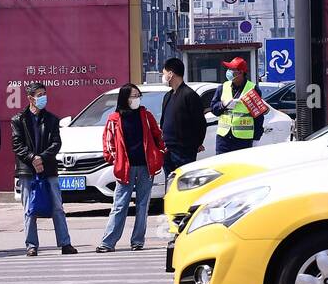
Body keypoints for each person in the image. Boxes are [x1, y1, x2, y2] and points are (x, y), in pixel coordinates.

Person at [97, 84, 167, 252]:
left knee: (143, 205)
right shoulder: (114, 119)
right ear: (124, 98)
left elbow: (158, 135)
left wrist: (160, 152)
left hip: (145, 166)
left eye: (137, 95)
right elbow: (109, 142)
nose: (136, 99)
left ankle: (137, 241)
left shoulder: (146, 116)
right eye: (132, 96)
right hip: (125, 168)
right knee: (120, 205)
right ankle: (108, 242)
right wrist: (113, 159)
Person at [10, 83, 77, 257]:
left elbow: (56, 143)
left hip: (49, 169)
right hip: (27, 170)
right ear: (30, 98)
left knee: (57, 206)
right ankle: (31, 245)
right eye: (39, 94)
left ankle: (65, 243)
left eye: (44, 94)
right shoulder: (18, 119)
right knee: (29, 209)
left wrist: (42, 158)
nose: (42, 98)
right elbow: (17, 145)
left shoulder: (52, 119)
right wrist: (32, 158)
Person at [159, 57, 206, 188]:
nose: (163, 77)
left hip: (183, 150)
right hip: (167, 149)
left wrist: (196, 143)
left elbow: (200, 123)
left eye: (164, 73)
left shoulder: (189, 95)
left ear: (171, 73)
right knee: (170, 184)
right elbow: (164, 120)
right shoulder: (167, 96)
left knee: (184, 184)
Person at [210, 57, 261, 155]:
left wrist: (256, 138)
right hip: (223, 139)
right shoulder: (223, 87)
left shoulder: (252, 89)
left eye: (232, 70)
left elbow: (258, 116)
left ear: (241, 72)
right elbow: (213, 109)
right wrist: (223, 104)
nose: (229, 72)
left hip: (243, 140)